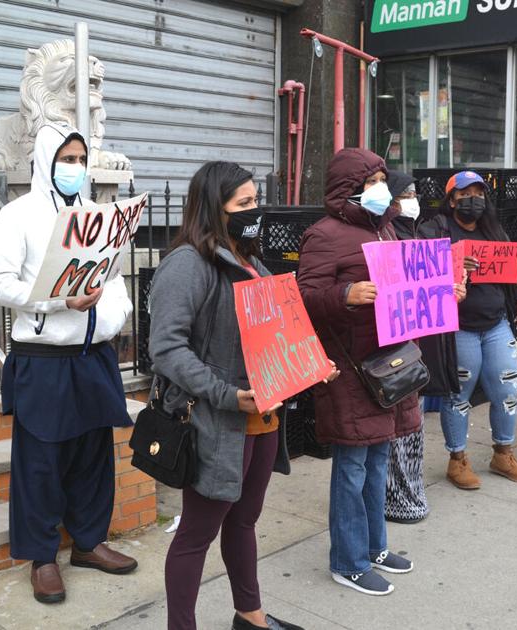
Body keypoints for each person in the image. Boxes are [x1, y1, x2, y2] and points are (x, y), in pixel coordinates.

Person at [148, 161, 329, 630]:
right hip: (216, 424)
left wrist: (309, 363)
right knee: (195, 534)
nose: (256, 210)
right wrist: (226, 394)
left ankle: (250, 617)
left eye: (255, 200)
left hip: (263, 420)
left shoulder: (251, 261)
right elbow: (166, 349)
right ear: (214, 208)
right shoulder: (186, 265)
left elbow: (276, 331)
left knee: (244, 523)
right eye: (244, 203)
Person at [0, 122, 138, 605]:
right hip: (43, 358)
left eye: (80, 159)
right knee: (41, 462)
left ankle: (89, 542)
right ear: (46, 160)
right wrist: (58, 301)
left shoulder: (97, 216)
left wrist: (106, 316)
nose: (74, 168)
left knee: (93, 456)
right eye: (65, 158)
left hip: (92, 357)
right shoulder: (18, 215)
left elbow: (114, 283)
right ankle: (43, 556)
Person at [298, 149, 420, 596]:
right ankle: (347, 561)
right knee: (352, 466)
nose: (380, 189)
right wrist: (346, 293)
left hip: (388, 364)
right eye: (371, 181)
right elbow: (305, 296)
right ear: (347, 186)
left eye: (382, 180)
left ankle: (374, 546)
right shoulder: (323, 235)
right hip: (349, 367)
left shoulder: (386, 228)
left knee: (377, 460)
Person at [418, 171, 517, 490]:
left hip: (496, 324)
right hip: (459, 328)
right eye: (465, 193)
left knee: (508, 392)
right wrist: (454, 264)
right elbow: (420, 269)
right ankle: (457, 460)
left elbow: (515, 267)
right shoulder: (435, 230)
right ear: (451, 198)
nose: (474, 199)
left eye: (479, 193)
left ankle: (503, 453)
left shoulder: (494, 230)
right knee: (458, 396)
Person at [383, 170, 467, 524]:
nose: (412, 200)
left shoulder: (420, 234)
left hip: (418, 345)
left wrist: (450, 291)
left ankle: (409, 489)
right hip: (393, 348)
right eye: (405, 193)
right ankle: (393, 495)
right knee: (397, 422)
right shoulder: (385, 238)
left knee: (412, 419)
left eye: (415, 193)